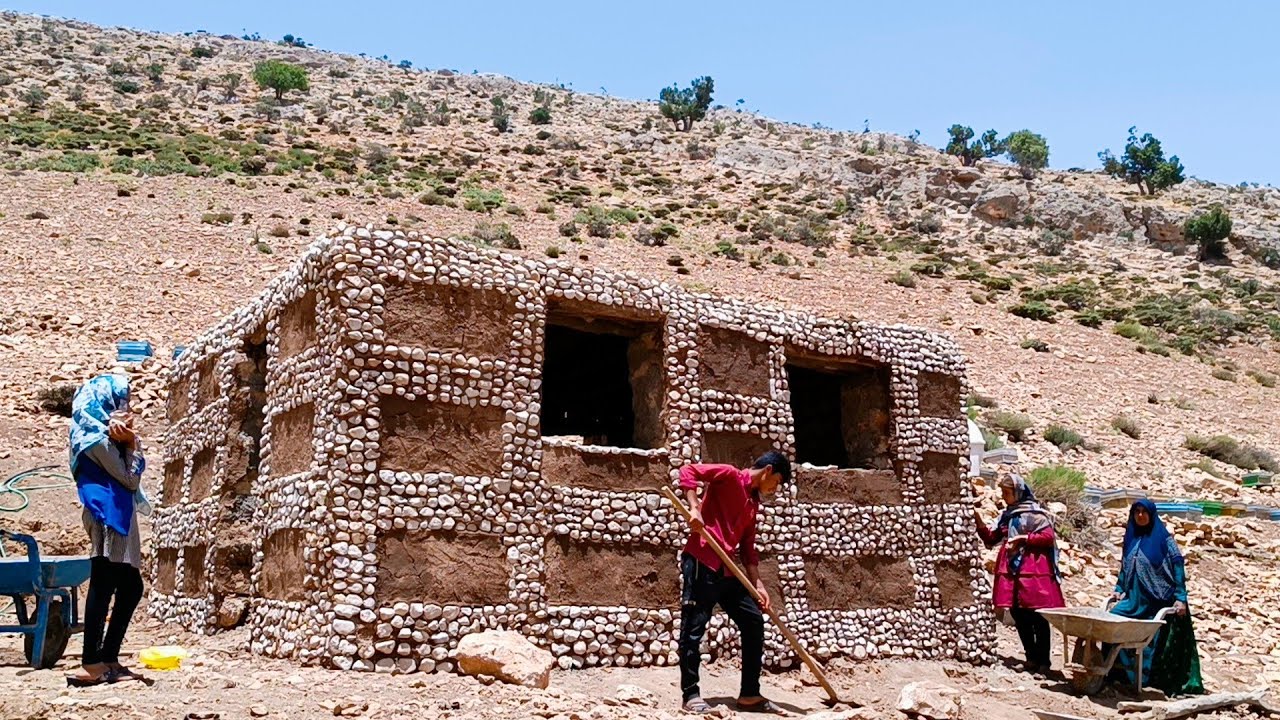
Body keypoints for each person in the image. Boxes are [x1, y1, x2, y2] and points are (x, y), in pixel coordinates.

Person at [677, 450, 790, 715]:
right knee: (693, 628)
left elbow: (748, 549)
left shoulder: (753, 505)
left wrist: (758, 585)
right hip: (702, 559)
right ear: (768, 471)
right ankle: (690, 695)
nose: (775, 489)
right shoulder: (728, 475)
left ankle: (749, 693)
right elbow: (688, 471)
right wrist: (695, 507)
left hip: (727, 570)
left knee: (753, 619)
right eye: (777, 483)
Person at [66, 375, 149, 686]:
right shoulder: (97, 440)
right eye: (121, 401)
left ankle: (108, 657)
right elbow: (129, 479)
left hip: (112, 512)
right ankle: (91, 663)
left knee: (130, 586)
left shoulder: (94, 434)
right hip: (108, 514)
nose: (126, 407)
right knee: (104, 583)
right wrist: (132, 444)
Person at [1107, 499, 1205, 696]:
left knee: (1150, 639)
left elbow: (1178, 567)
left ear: (1152, 515)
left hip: (1157, 601)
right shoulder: (1131, 538)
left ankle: (1146, 682)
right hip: (1133, 600)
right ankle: (1118, 676)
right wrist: (1118, 588)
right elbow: (1125, 569)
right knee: (1111, 624)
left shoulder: (1164, 539)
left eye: (1144, 512)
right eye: (1137, 512)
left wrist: (1180, 597)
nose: (1140, 515)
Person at [974, 468, 1065, 676]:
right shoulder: (1006, 516)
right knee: (1017, 612)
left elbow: (1048, 537)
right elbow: (992, 539)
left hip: (1033, 570)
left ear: (1018, 492)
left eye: (1007, 493)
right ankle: (1031, 658)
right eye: (1003, 493)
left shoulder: (1036, 514)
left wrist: (1024, 539)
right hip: (1012, 572)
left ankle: (1044, 662)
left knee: (1038, 615)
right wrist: (979, 523)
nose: (1004, 498)